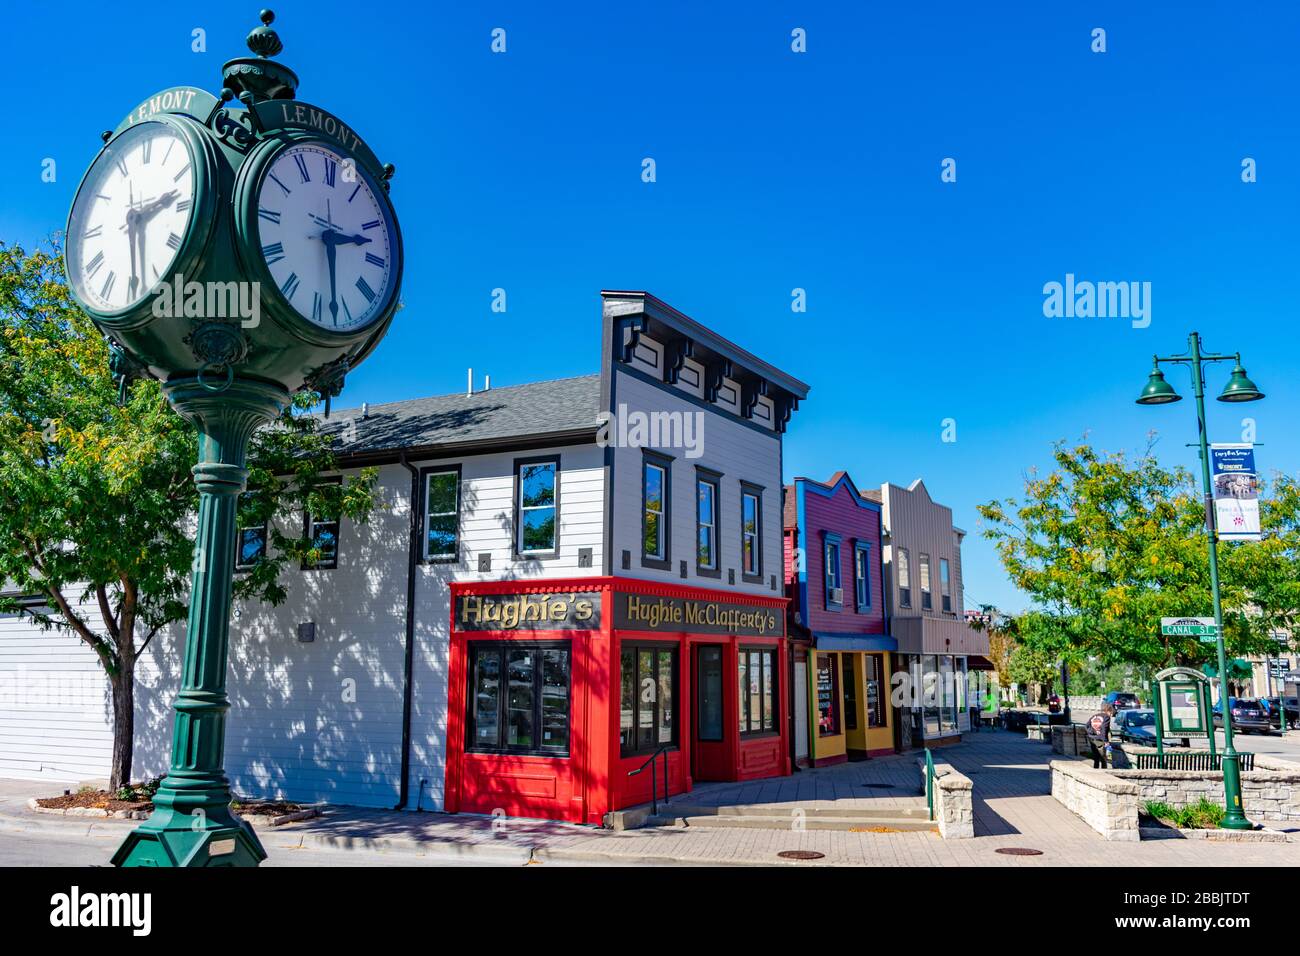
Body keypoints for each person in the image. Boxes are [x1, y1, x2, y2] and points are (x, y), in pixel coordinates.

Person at [1086, 704, 1113, 768]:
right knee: (1103, 759)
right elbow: (1104, 729)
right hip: (1100, 740)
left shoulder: (1094, 716)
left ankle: (1096, 771)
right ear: (1108, 711)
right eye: (1111, 712)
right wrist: (1105, 741)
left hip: (1092, 739)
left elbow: (1087, 726)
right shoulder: (1106, 717)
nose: (1111, 714)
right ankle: (1104, 772)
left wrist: (1092, 733)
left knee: (1096, 758)